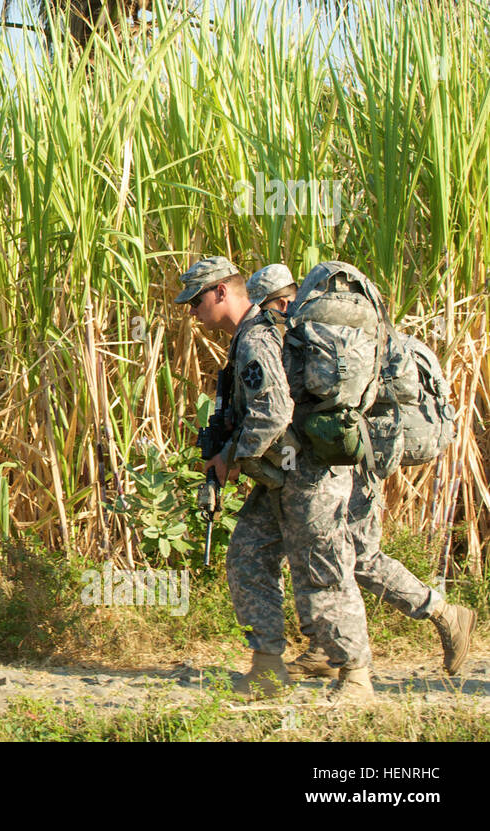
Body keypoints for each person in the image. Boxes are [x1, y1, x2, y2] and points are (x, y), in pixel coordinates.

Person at [246, 265, 476, 678]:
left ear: (281, 300)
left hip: (349, 457)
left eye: (268, 307)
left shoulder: (305, 330)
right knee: (333, 553)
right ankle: (324, 648)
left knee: (354, 556)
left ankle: (443, 612)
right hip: (347, 451)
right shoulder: (336, 330)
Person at [175, 257, 298, 699]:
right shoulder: (246, 338)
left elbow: (275, 412)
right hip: (282, 475)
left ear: (222, 292)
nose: (193, 312)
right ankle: (268, 669)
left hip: (301, 475)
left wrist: (231, 456)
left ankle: (356, 670)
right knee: (248, 557)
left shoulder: (255, 339)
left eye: (197, 300)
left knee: (345, 564)